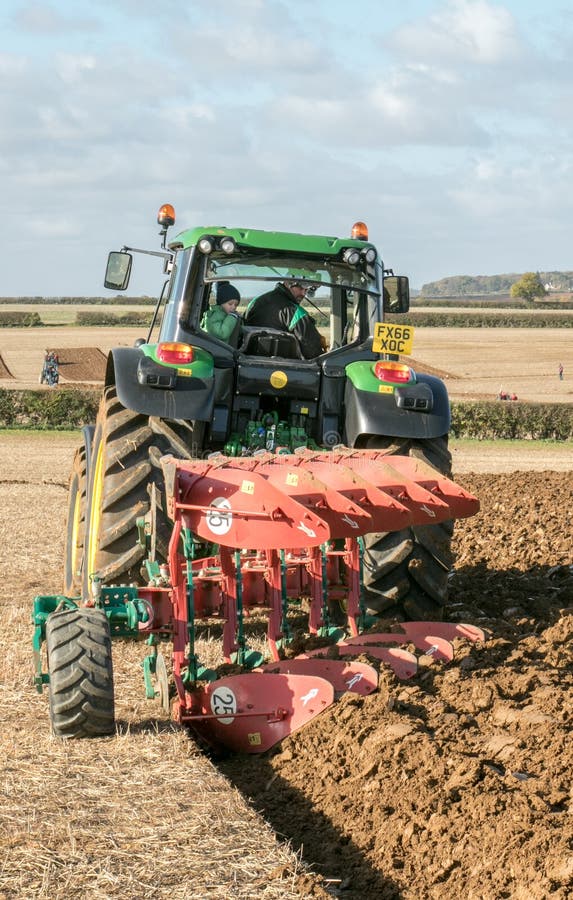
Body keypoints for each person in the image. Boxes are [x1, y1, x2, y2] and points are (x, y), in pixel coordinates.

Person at [244, 279, 323, 359]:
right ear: (287, 283)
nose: (303, 293)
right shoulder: (296, 313)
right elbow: (313, 352)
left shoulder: (254, 302)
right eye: (301, 288)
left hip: (249, 364)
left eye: (306, 290)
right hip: (287, 368)